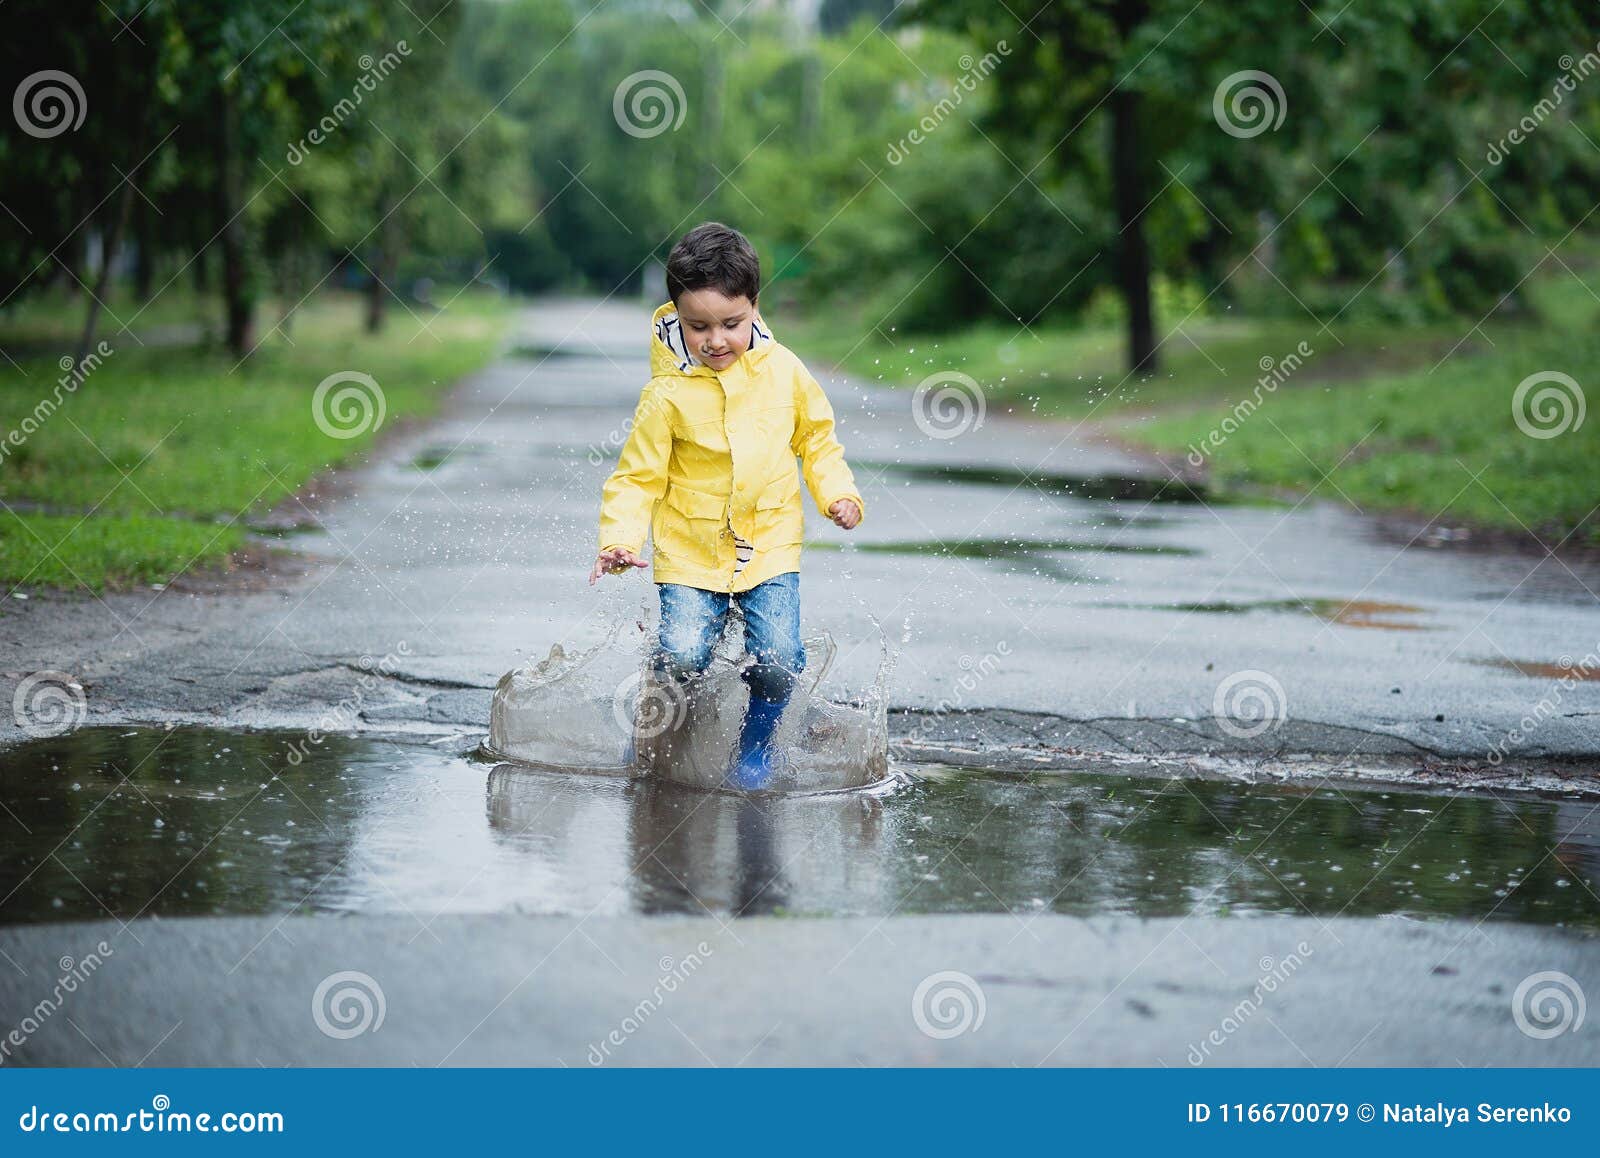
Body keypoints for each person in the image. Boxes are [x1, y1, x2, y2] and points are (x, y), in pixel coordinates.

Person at [590, 222, 864, 790]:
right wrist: (619, 539)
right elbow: (636, 477)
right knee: (686, 654)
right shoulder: (666, 394)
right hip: (691, 549)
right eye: (698, 327)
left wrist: (837, 492)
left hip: (769, 544)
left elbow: (816, 439)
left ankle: (754, 751)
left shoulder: (783, 371)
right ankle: (655, 720)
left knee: (779, 658)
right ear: (677, 315)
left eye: (731, 324)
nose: (716, 340)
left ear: (754, 307)